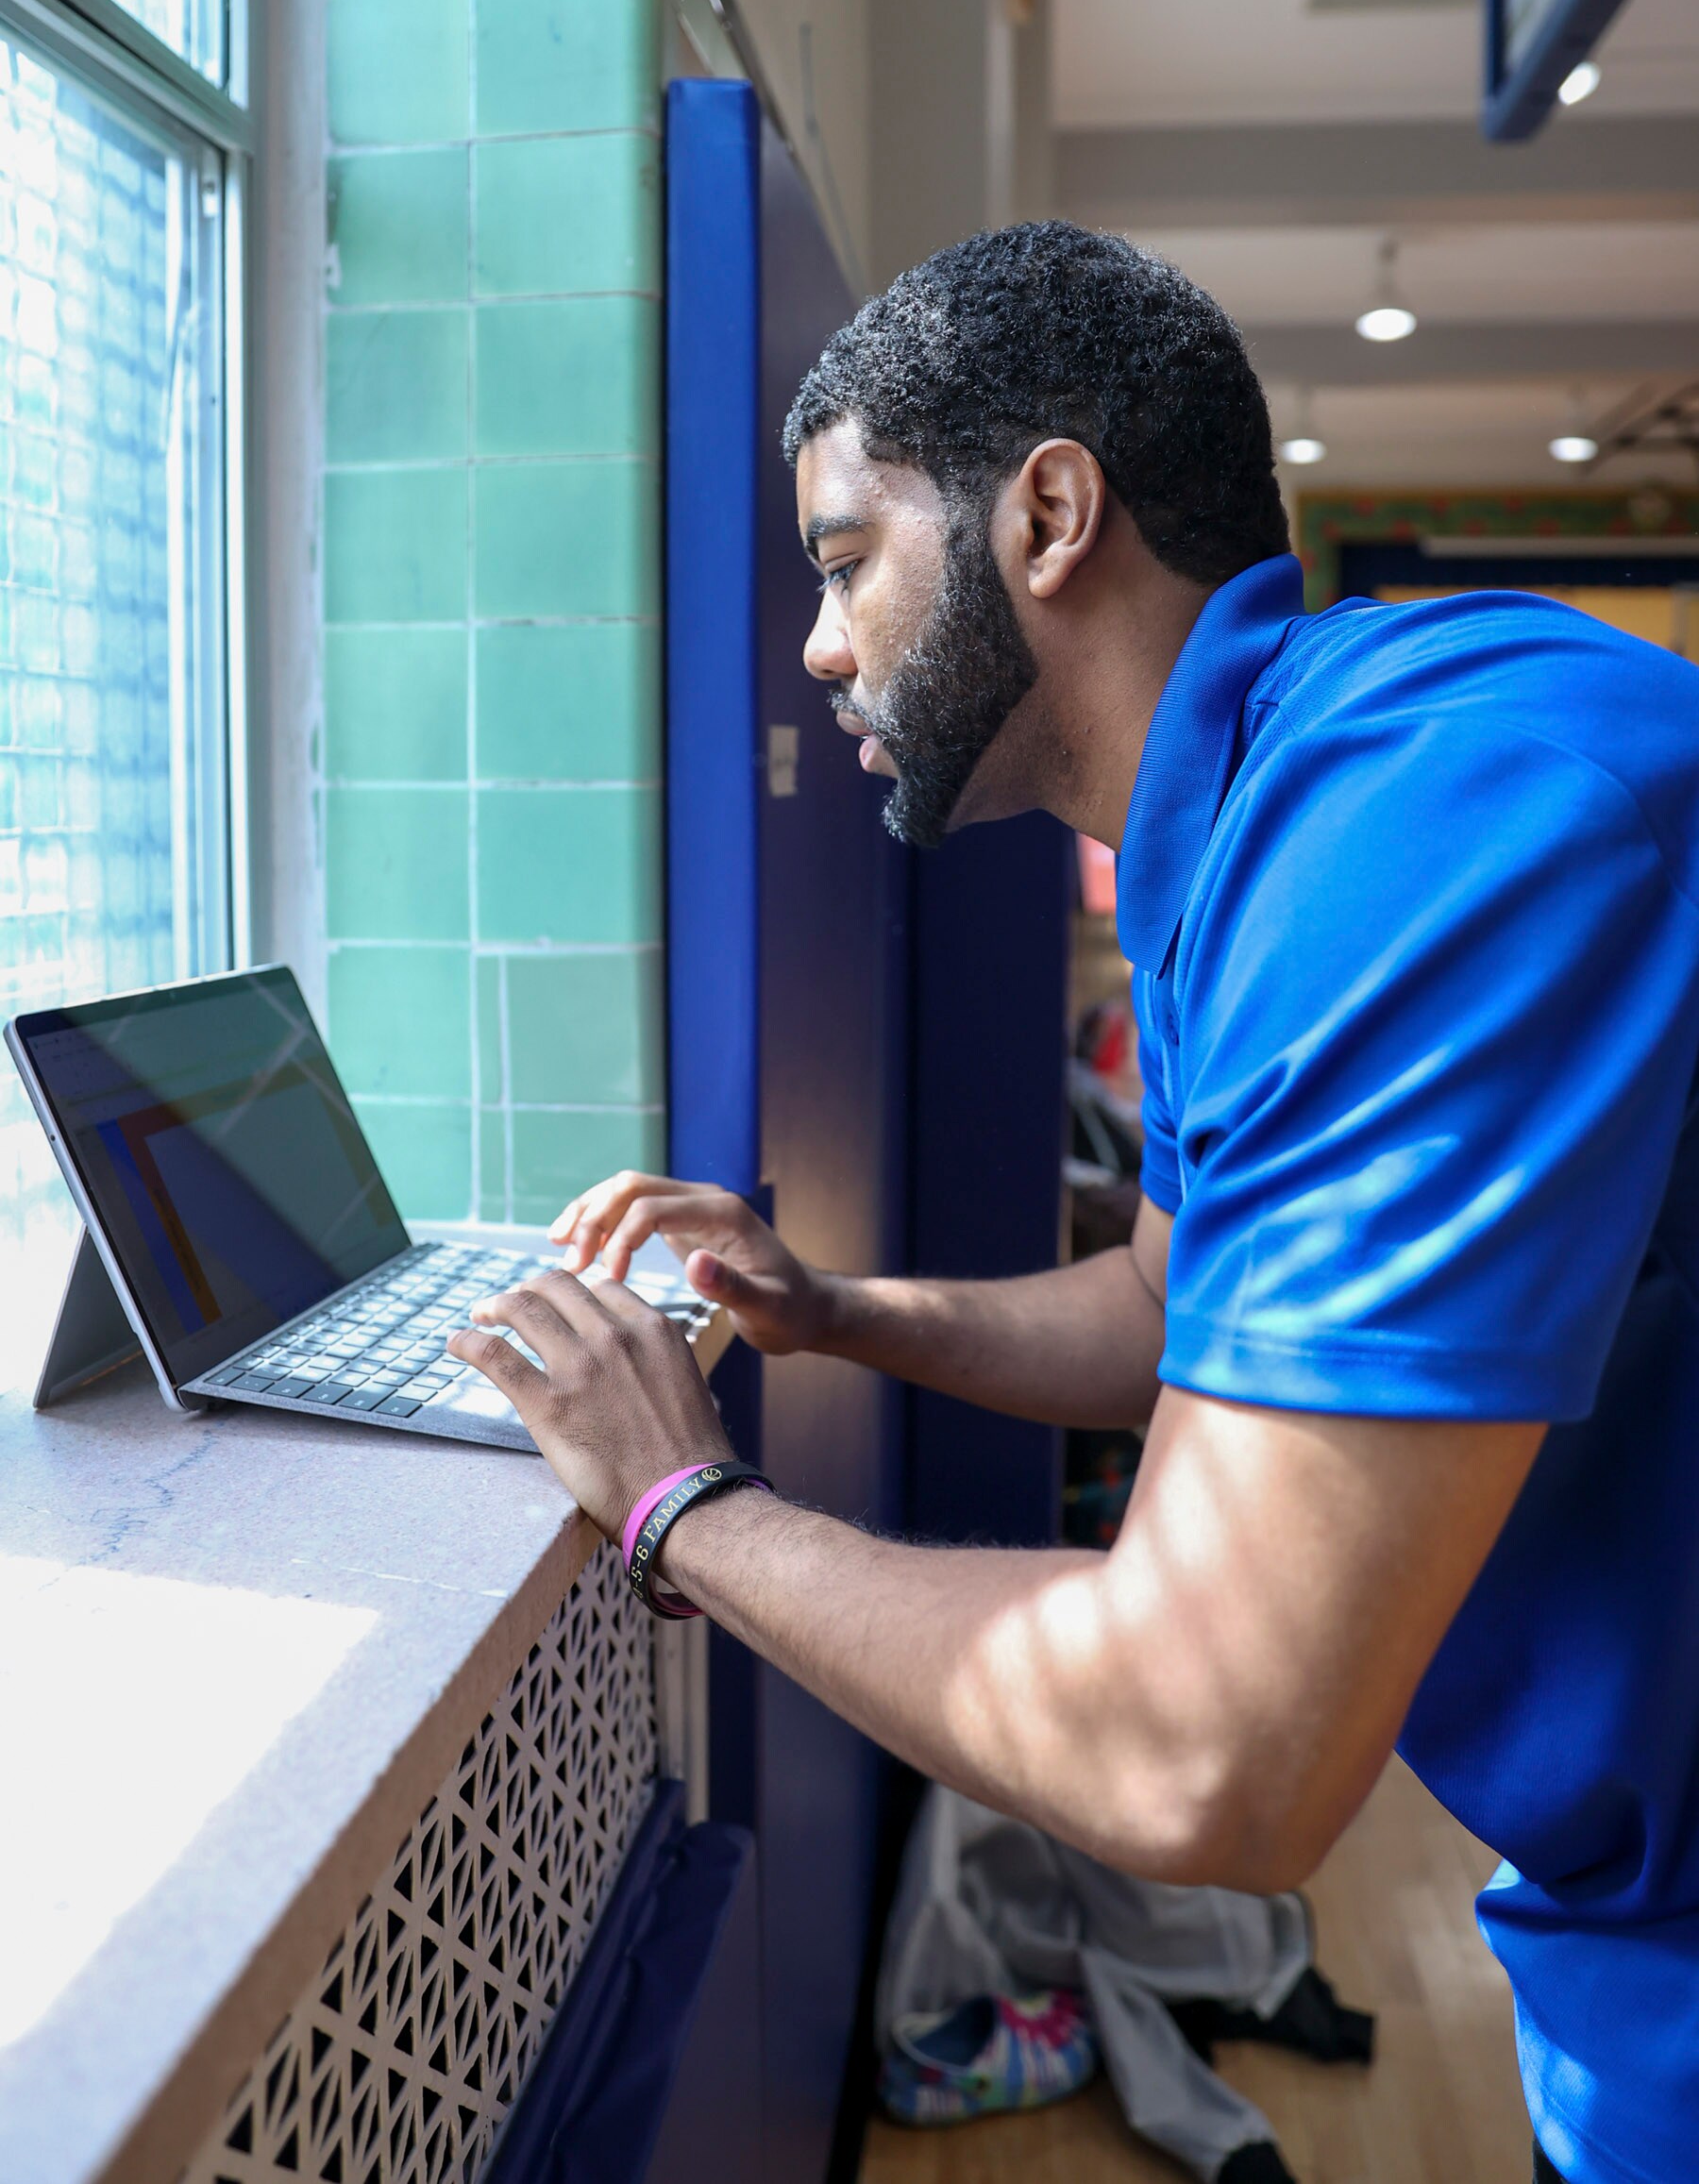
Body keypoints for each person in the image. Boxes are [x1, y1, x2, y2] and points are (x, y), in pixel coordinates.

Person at [447, 223, 1699, 2184]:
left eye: (850, 557)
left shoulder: (1427, 821)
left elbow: (1213, 1747)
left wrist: (679, 1501)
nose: (818, 644)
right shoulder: (1267, 822)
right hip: (1619, 1964)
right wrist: (837, 1309)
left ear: (1047, 515)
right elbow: (1161, 1305)